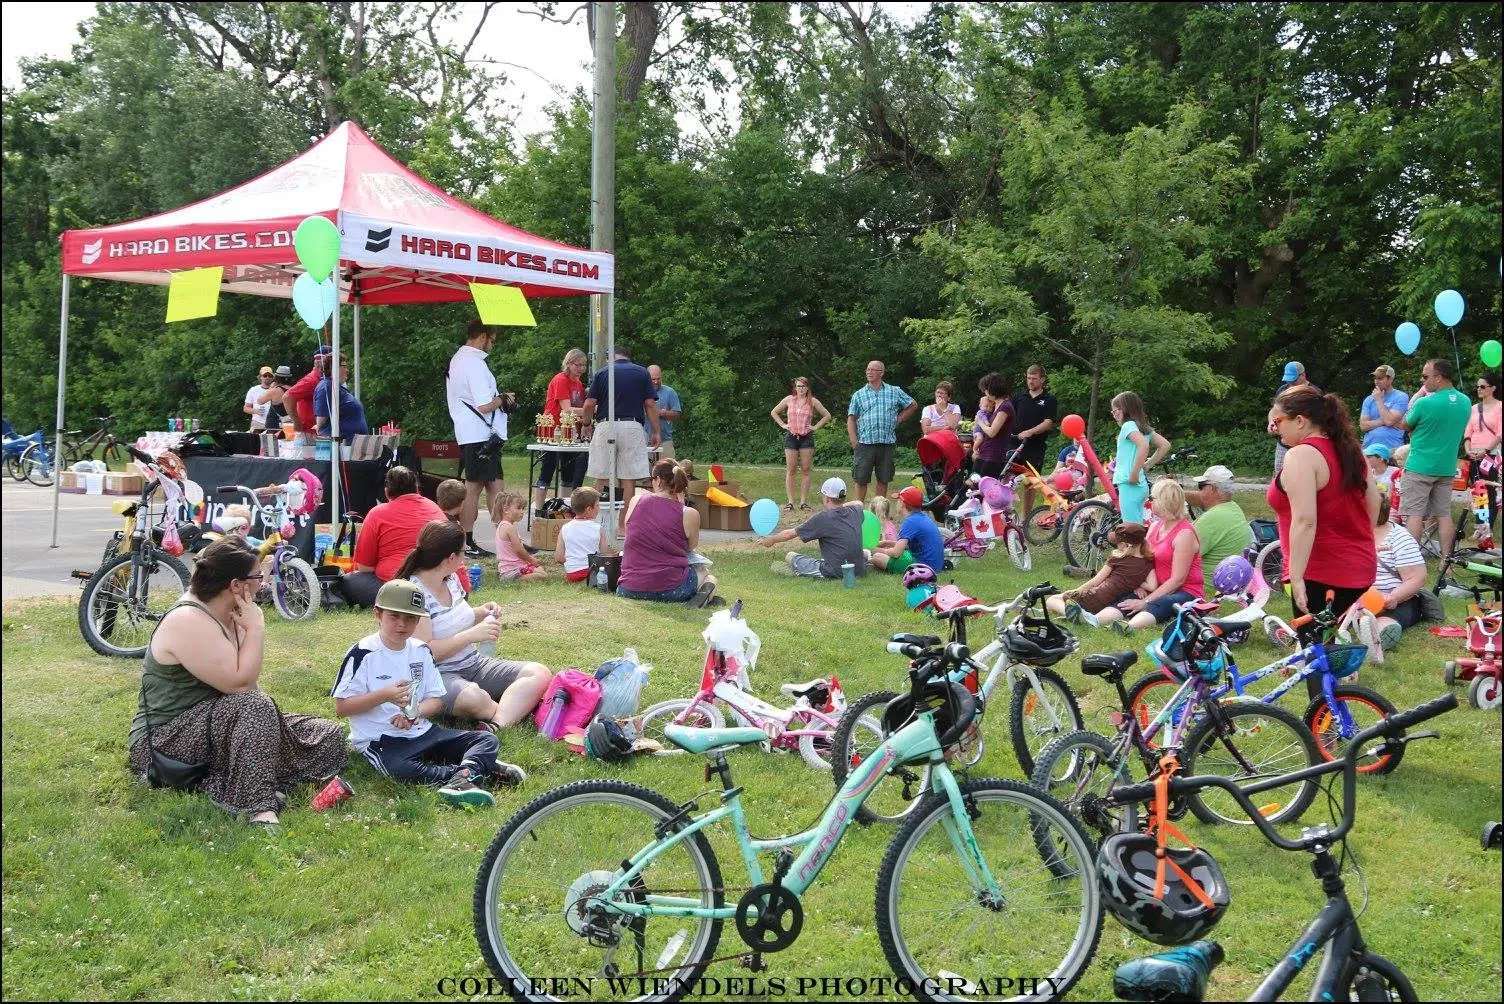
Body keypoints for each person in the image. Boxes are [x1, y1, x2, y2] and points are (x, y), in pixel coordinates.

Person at [126, 537, 345, 827]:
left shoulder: (229, 612)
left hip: (220, 726)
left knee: (327, 734)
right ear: (236, 585)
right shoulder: (188, 619)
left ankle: (231, 781)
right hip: (166, 739)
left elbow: (245, 691)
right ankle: (258, 807)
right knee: (255, 706)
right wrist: (255, 629)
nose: (263, 583)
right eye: (258, 576)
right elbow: (242, 687)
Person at [332, 579, 504, 807]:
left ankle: (466, 775)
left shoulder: (421, 651)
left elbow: (436, 700)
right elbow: (342, 708)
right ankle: (472, 772)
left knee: (486, 739)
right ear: (377, 614)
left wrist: (415, 715)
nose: (402, 624)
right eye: (394, 616)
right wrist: (384, 695)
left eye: (411, 618)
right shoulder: (362, 653)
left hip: (423, 731)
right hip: (381, 739)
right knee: (399, 769)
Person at [397, 520, 550, 749]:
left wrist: (483, 612)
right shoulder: (415, 593)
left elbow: (459, 617)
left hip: (473, 664)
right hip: (437, 676)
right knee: (473, 698)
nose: (464, 559)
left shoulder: (451, 580)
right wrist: (471, 636)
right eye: (463, 553)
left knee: (539, 673)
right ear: (450, 558)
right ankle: (511, 710)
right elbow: (426, 653)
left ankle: (496, 723)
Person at [1266, 386, 1381, 672]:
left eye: (1279, 421)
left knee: (1314, 657)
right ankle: (1336, 694)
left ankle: (1321, 712)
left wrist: (1296, 575)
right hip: (1358, 566)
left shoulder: (1301, 456)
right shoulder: (1350, 448)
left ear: (1301, 421)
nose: (1274, 428)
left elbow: (1305, 520)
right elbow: (1374, 501)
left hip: (1320, 570)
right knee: (1324, 644)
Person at [447, 320, 513, 558]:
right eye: (492, 341)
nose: (492, 346)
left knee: (496, 486)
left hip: (476, 434)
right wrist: (503, 399)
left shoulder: (459, 359)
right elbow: (484, 404)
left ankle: (506, 537)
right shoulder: (472, 363)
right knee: (473, 488)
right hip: (479, 434)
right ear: (483, 336)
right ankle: (466, 540)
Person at [581, 345, 661, 534]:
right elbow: (650, 404)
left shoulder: (602, 373)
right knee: (628, 479)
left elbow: (589, 404)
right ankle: (623, 526)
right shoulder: (642, 373)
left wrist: (586, 423)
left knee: (601, 477)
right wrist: (656, 431)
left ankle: (593, 523)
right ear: (628, 357)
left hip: (605, 424)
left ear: (611, 357)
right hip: (632, 426)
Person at [343, 466, 446, 609]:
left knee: (350, 580)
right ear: (417, 488)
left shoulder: (377, 514)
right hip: (437, 585)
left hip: (397, 589)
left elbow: (365, 567)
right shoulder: (434, 508)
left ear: (386, 492)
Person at [617, 461, 718, 606]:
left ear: (658, 480)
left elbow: (630, 531)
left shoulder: (635, 501)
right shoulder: (689, 513)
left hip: (628, 587)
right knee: (709, 577)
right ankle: (701, 598)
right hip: (672, 588)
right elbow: (690, 546)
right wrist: (681, 507)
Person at [1399, 358, 1471, 560]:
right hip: (1447, 467)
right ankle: (1445, 562)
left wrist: (1418, 397)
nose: (1423, 381)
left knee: (1414, 515)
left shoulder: (1424, 402)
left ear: (1439, 378)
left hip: (1419, 466)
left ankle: (1410, 561)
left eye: (1425, 376)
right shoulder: (1465, 402)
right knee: (1444, 515)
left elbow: (1405, 423)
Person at [1115, 479, 1206, 633]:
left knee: (1164, 602)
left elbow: (1178, 580)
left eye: (1152, 498)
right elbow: (1145, 560)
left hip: (1186, 592)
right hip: (1156, 586)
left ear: (1165, 502)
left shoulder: (1185, 534)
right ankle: (1100, 617)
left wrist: (1145, 601)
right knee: (1124, 593)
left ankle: (1129, 627)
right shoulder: (1155, 527)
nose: (1149, 502)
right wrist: (1139, 584)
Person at [1047, 522, 1155, 627]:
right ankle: (1080, 614)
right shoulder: (1148, 561)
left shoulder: (1117, 558)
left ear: (1125, 545)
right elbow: (1152, 586)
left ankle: (1075, 615)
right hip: (1107, 604)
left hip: (1095, 597)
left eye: (1117, 543)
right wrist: (1136, 581)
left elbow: (1096, 581)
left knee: (1052, 600)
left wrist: (1077, 591)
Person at [761, 477, 868, 580]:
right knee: (865, 552)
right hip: (859, 569)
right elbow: (858, 503)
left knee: (791, 556)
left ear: (826, 498)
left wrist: (772, 540)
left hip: (834, 571)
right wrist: (840, 507)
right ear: (843, 497)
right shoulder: (856, 512)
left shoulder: (823, 518)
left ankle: (800, 570)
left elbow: (789, 534)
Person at [847, 360, 917, 502]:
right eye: (868, 369)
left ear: (881, 373)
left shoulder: (894, 391)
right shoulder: (859, 394)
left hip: (886, 442)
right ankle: (858, 511)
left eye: (873, 370)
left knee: (883, 479)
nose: (869, 372)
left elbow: (913, 405)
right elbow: (851, 418)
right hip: (865, 442)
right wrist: (854, 441)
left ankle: (878, 512)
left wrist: (898, 419)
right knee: (861, 479)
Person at [533, 348, 590, 515]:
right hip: (553, 430)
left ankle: (563, 510)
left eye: (583, 365)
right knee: (547, 471)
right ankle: (538, 511)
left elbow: (577, 410)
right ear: (568, 364)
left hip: (571, 432)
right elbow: (566, 409)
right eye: (576, 364)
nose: (580, 368)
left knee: (568, 473)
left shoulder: (579, 384)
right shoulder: (560, 380)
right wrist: (589, 410)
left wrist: (586, 418)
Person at [1369, 494, 1426, 650]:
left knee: (1388, 619)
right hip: (1359, 599)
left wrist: (1394, 597)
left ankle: (1381, 634)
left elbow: (1417, 577)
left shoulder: (1399, 537)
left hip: (1395, 601)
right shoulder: (1351, 533)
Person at [771, 376, 832, 512]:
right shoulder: (789, 400)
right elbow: (774, 412)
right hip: (791, 437)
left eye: (803, 386)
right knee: (791, 469)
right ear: (795, 387)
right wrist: (782, 424)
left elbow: (827, 415)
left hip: (806, 438)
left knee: (805, 469)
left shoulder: (813, 401)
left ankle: (803, 501)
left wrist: (815, 426)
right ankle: (790, 502)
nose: (801, 389)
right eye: (798, 386)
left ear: (807, 388)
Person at [1110, 391, 1170, 524]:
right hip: (1139, 484)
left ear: (1125, 409)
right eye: (1112, 412)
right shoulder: (1143, 428)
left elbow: (1143, 445)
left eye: (1115, 411)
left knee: (1131, 529)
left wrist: (1134, 473)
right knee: (1138, 526)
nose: (1114, 415)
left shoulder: (1128, 426)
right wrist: (1147, 465)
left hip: (1129, 482)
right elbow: (1165, 445)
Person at [1011, 364, 1059, 517]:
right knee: (1007, 478)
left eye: (1034, 378)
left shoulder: (1049, 399)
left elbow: (1048, 422)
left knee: (1030, 483)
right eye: (1028, 378)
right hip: (1014, 444)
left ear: (1042, 379)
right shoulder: (1019, 397)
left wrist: (1030, 432)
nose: (1030, 381)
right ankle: (1006, 514)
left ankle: (1026, 517)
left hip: (1035, 446)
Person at [869, 486, 944, 574]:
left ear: (902, 504)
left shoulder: (910, 522)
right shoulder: (922, 517)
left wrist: (873, 550)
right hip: (935, 565)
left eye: (898, 500)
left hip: (923, 567)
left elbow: (895, 553)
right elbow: (911, 545)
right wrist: (887, 543)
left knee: (877, 557)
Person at [1191, 464, 1252, 572]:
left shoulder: (1211, 519)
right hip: (1231, 581)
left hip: (1205, 585)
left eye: (1201, 486)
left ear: (1212, 488)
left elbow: (1182, 553)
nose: (1199, 491)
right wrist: (1177, 493)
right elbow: (1198, 498)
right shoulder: (1233, 507)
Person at [1464, 371, 1501, 537]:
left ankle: (1488, 528)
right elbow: (1468, 433)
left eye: (1483, 386)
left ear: (1492, 388)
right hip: (1474, 454)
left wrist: (1486, 451)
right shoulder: (1473, 409)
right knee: (1479, 491)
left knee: (1489, 491)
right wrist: (1467, 449)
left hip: (1491, 454)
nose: (1479, 389)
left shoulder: (1500, 407)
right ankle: (1480, 526)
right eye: (1477, 386)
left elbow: (1500, 434)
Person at [556, 487, 612, 583]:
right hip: (593, 573)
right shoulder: (598, 528)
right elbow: (604, 555)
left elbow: (559, 557)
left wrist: (572, 564)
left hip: (572, 574)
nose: (599, 508)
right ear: (589, 509)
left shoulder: (565, 528)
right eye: (597, 505)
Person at [1271, 361, 1318, 474]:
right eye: (1288, 381)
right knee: (1279, 476)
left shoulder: (1314, 393)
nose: (1291, 384)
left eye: (1294, 380)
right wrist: (1271, 423)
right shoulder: (1282, 390)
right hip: (1283, 445)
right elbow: (1274, 411)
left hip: (1305, 444)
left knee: (1302, 475)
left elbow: (1317, 423)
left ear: (1303, 375)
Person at [491, 491, 547, 582]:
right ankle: (513, 580)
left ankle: (509, 577)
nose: (522, 512)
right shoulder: (508, 527)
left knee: (541, 570)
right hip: (513, 569)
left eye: (523, 508)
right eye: (518, 508)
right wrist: (532, 560)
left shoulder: (503, 525)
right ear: (505, 510)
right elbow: (519, 550)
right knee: (543, 576)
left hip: (512, 567)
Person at [313, 355, 369, 442]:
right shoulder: (326, 386)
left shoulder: (336, 387)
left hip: (349, 445)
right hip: (340, 446)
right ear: (333, 367)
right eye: (344, 366)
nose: (347, 370)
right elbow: (321, 419)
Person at [972, 372, 1016, 479]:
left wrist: (979, 421)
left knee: (984, 488)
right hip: (984, 452)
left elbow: (992, 432)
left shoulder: (1005, 407)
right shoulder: (995, 405)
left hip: (994, 456)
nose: (985, 393)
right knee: (971, 484)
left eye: (986, 390)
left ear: (993, 390)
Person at [285, 345, 331, 444]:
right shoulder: (312, 380)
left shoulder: (322, 380)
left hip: (319, 433)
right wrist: (297, 422)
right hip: (309, 434)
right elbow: (287, 397)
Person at [1359, 364, 1409, 452]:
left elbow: (1389, 421)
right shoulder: (1369, 399)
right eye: (1375, 378)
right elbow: (1363, 426)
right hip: (1369, 449)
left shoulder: (1401, 396)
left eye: (1380, 378)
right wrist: (1385, 421)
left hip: (1391, 448)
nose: (1376, 381)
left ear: (1390, 379)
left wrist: (1378, 400)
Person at [647, 365, 682, 462]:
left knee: (667, 473)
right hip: (645, 440)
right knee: (646, 475)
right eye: (653, 379)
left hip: (665, 440)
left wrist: (664, 413)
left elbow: (677, 414)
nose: (656, 382)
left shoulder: (670, 392)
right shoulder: (641, 392)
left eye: (658, 379)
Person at [261, 366, 292, 431]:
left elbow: (260, 401)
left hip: (275, 425)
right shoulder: (294, 389)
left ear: (277, 378)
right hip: (291, 423)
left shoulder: (275, 390)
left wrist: (271, 388)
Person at [245, 366, 275, 432]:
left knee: (273, 442)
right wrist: (255, 411)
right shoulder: (253, 390)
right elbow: (246, 408)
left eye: (269, 376)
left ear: (273, 378)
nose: (267, 377)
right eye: (265, 375)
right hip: (258, 423)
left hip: (274, 424)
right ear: (260, 377)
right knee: (255, 442)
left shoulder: (277, 390)